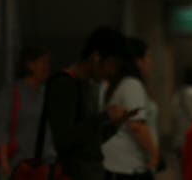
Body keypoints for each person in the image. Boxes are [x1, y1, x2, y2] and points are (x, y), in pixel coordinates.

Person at [45, 27, 134, 180]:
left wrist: (114, 124)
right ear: (95, 57)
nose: (112, 72)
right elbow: (63, 141)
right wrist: (104, 116)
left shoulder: (89, 86)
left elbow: (90, 141)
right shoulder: (64, 84)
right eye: (111, 65)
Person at [101, 37, 160, 179]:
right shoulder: (132, 85)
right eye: (148, 57)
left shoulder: (120, 83)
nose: (150, 62)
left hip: (119, 164)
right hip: (127, 165)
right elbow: (137, 126)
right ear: (138, 61)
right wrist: (154, 155)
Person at [0, 47, 54, 178]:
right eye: (43, 62)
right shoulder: (11, 93)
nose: (47, 67)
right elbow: (2, 128)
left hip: (44, 164)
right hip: (19, 164)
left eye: (48, 63)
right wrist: (4, 161)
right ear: (30, 65)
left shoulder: (47, 94)